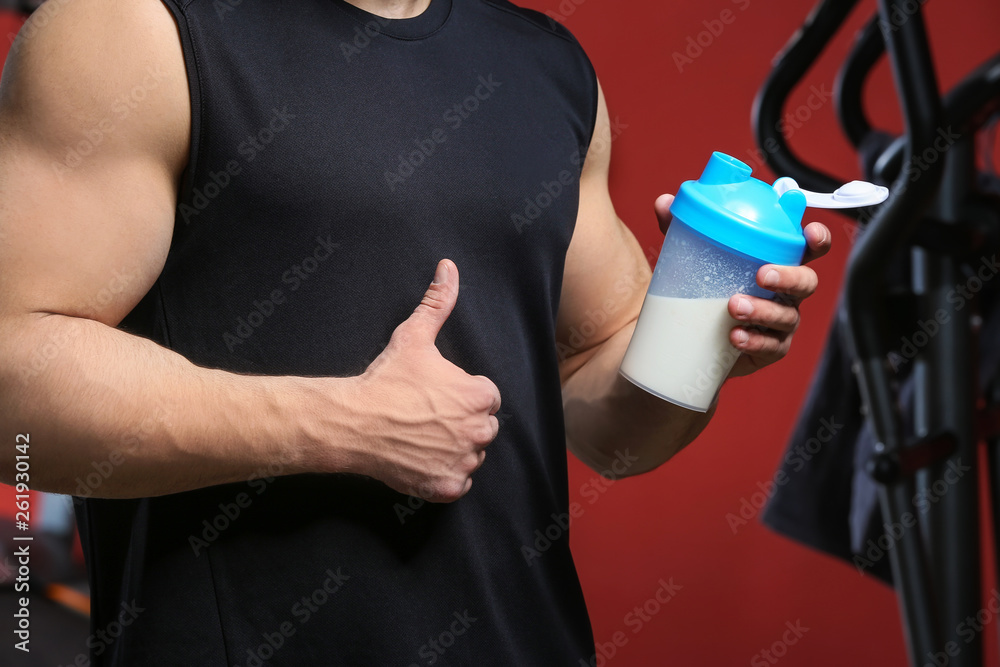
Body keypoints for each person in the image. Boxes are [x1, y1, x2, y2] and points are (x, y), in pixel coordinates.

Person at [0, 0, 831, 664]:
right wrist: (342, 427)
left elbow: (613, 429)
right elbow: (13, 388)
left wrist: (708, 340)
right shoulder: (134, 28)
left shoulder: (543, 66)